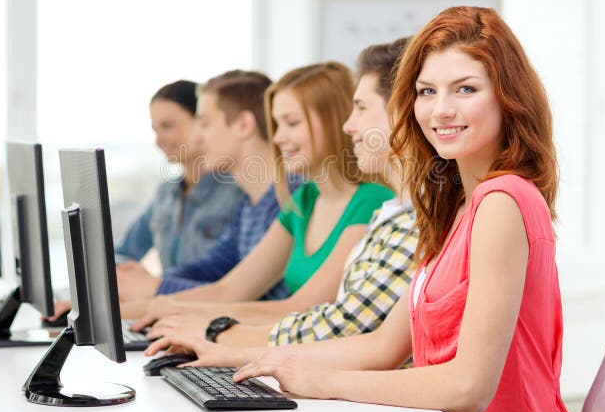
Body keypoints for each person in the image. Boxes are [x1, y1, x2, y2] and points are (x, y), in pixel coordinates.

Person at [145, 7, 575, 412]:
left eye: (465, 89)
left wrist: (321, 381)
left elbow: (469, 386)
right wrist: (234, 355)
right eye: (427, 91)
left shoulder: (504, 200)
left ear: (508, 96)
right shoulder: (459, 209)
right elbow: (383, 346)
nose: (441, 109)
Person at [143, 39, 419, 348]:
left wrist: (209, 326)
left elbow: (310, 311)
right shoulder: (303, 199)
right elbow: (231, 288)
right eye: (277, 123)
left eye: (291, 123)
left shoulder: (373, 202)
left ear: (330, 121)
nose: (278, 137)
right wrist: (166, 309)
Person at [118, 70, 298, 311]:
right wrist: (148, 286)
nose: (197, 137)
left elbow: (229, 293)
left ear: (244, 125)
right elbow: (211, 268)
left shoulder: (291, 199)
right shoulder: (251, 203)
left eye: (204, 123)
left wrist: (152, 289)